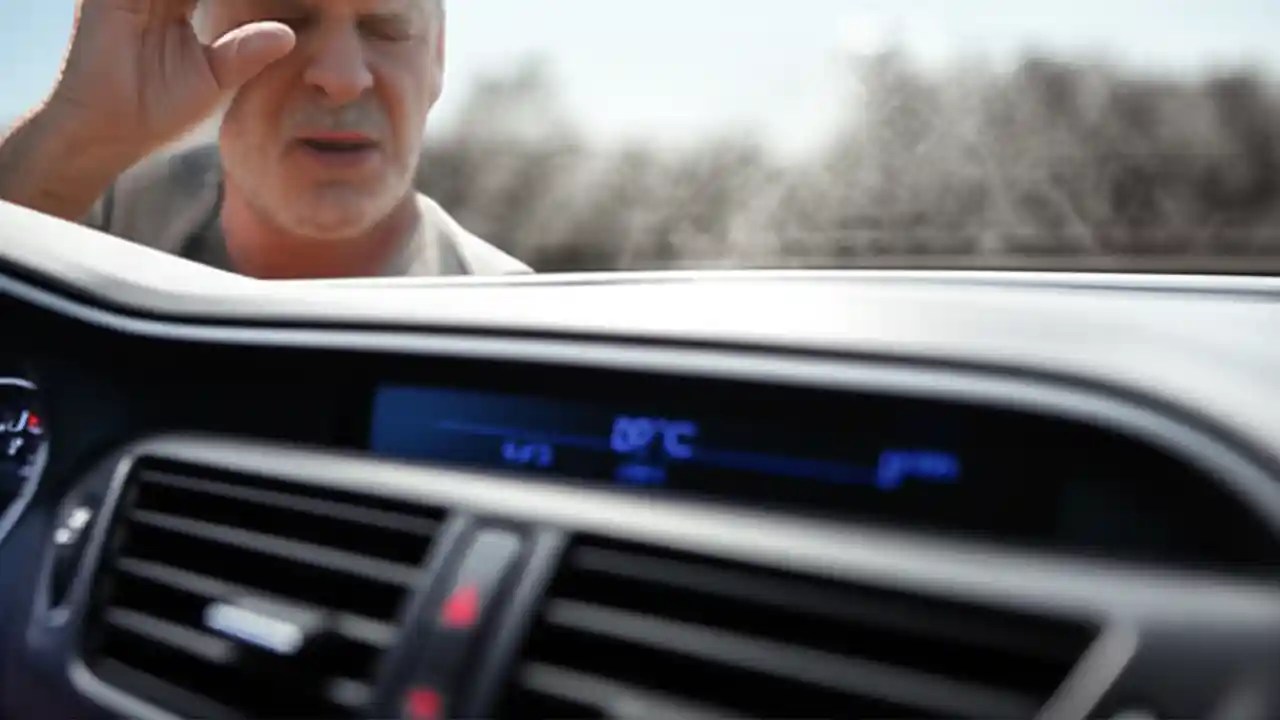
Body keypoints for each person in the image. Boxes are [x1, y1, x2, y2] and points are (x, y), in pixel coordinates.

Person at [0, 0, 529, 278]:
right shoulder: (81, 227)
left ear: (436, 57)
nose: (342, 78)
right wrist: (74, 139)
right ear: (193, 34)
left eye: (386, 27)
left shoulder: (511, 323)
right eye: (285, 20)